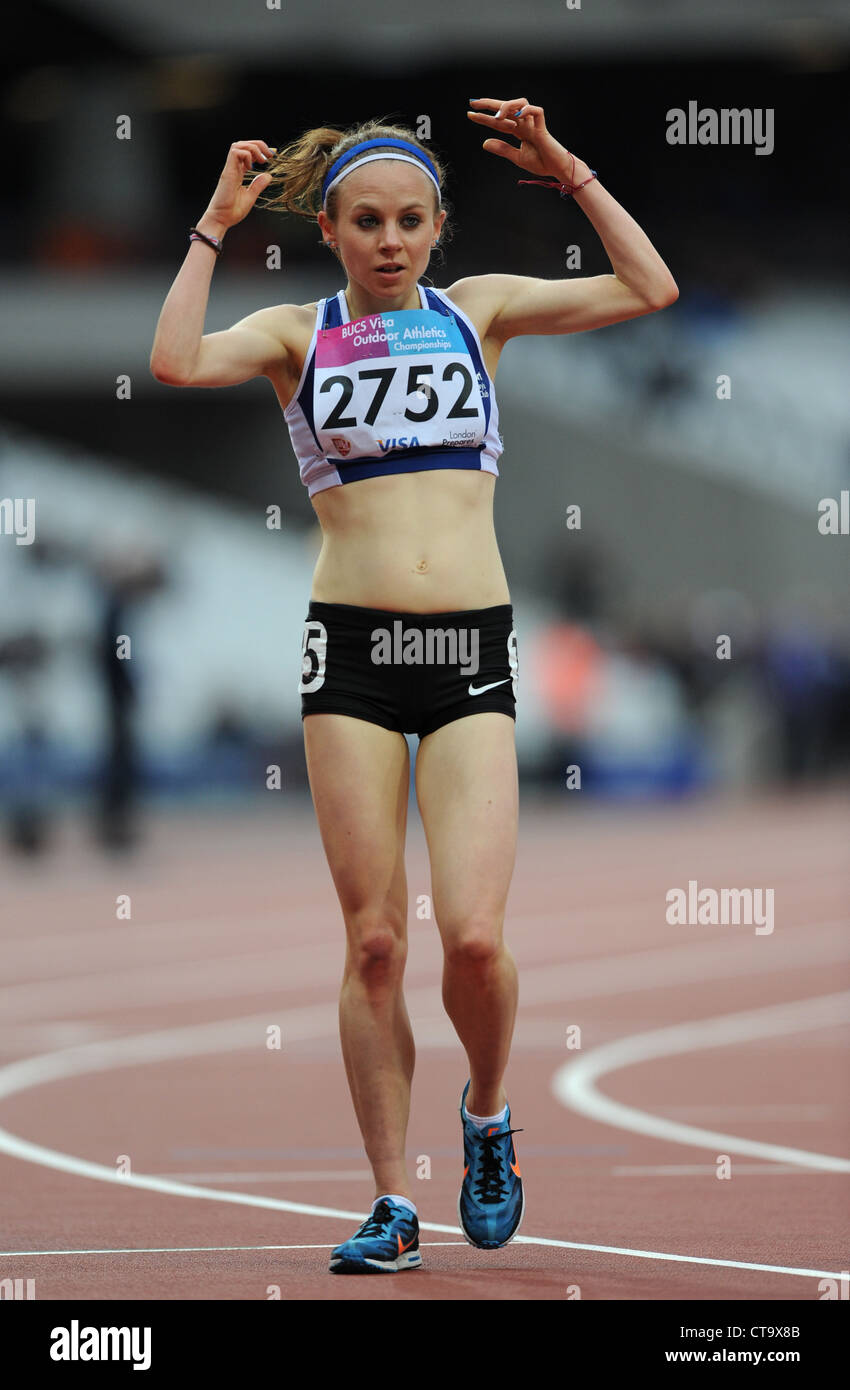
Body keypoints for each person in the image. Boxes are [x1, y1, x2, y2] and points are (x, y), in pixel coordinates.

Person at [150, 100, 678, 1274]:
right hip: (349, 653)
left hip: (469, 652)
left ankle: (487, 1115)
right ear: (331, 230)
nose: (388, 241)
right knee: (377, 943)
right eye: (365, 222)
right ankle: (394, 1201)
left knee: (476, 942)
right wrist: (212, 226)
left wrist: (570, 171)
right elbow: (176, 361)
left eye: (409, 221)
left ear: (438, 228)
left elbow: (650, 289)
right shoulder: (298, 332)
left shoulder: (477, 310)